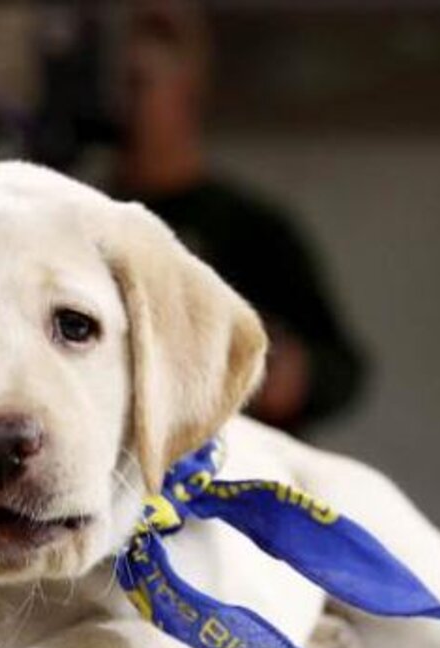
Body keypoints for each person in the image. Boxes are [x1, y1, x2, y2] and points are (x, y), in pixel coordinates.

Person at [113, 1, 366, 433]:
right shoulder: (85, 215)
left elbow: (339, 366)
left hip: (231, 464)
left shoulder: (253, 230)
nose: (129, 102)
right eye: (124, 81)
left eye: (143, 83)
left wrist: (291, 376)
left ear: (190, 86)